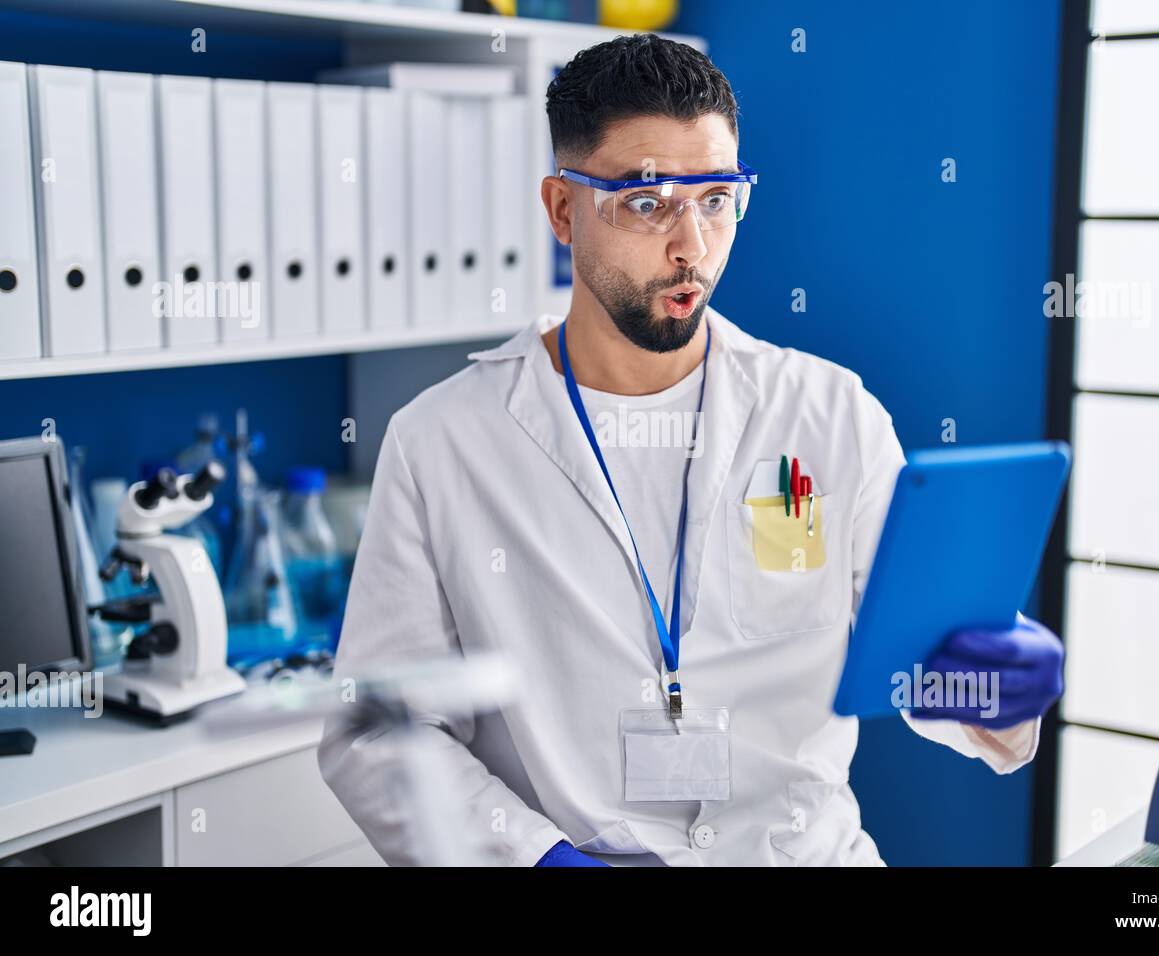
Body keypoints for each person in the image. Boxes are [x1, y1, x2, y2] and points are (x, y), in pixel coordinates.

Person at [318, 33, 1064, 866]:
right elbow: (375, 731)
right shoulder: (443, 441)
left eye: (716, 198)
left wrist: (990, 687)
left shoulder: (829, 413)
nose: (693, 246)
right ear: (564, 209)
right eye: (647, 201)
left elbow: (914, 666)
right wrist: (533, 859)